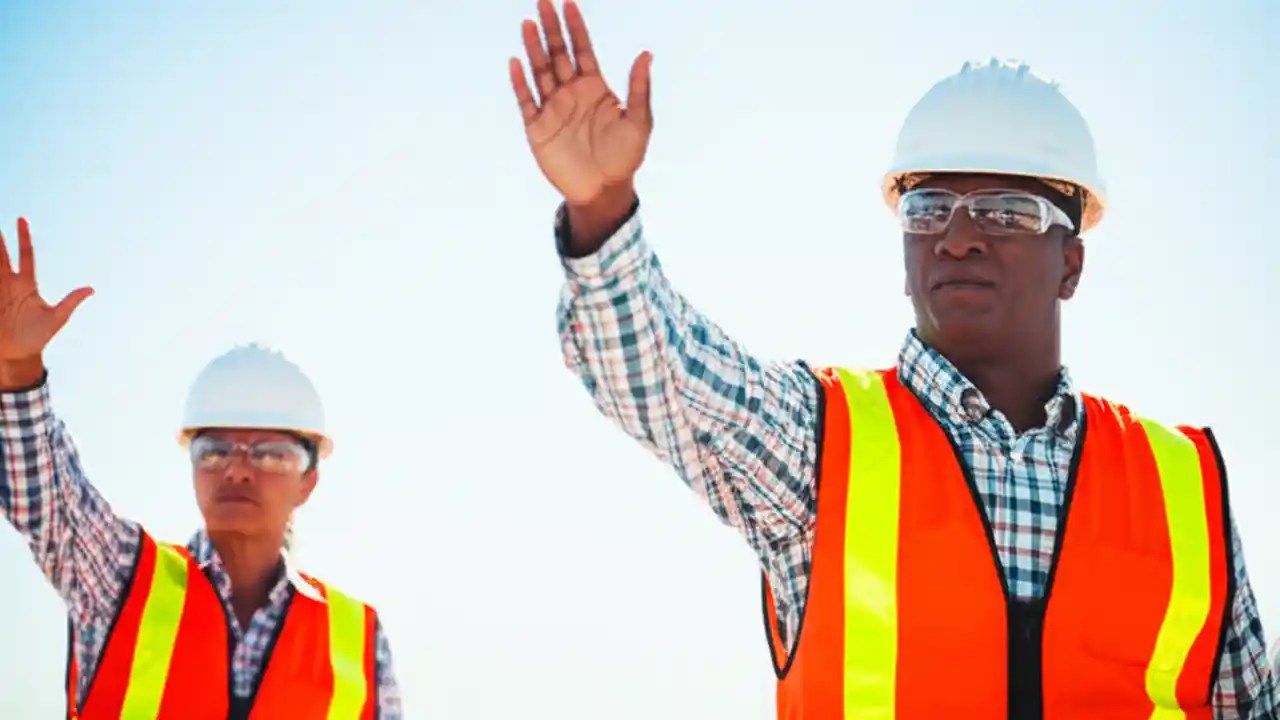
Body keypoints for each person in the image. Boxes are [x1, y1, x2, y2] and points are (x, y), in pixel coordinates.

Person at [508, 1, 1277, 718]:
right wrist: (602, 207)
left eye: (1006, 210)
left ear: (1071, 264)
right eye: (928, 208)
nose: (958, 236)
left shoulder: (1185, 488)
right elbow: (663, 377)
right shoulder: (820, 446)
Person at [0, 218, 402, 718]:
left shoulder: (358, 641)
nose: (238, 470)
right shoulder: (124, 581)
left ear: (309, 481)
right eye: (214, 449)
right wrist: (18, 369)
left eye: (270, 454)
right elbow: (50, 504)